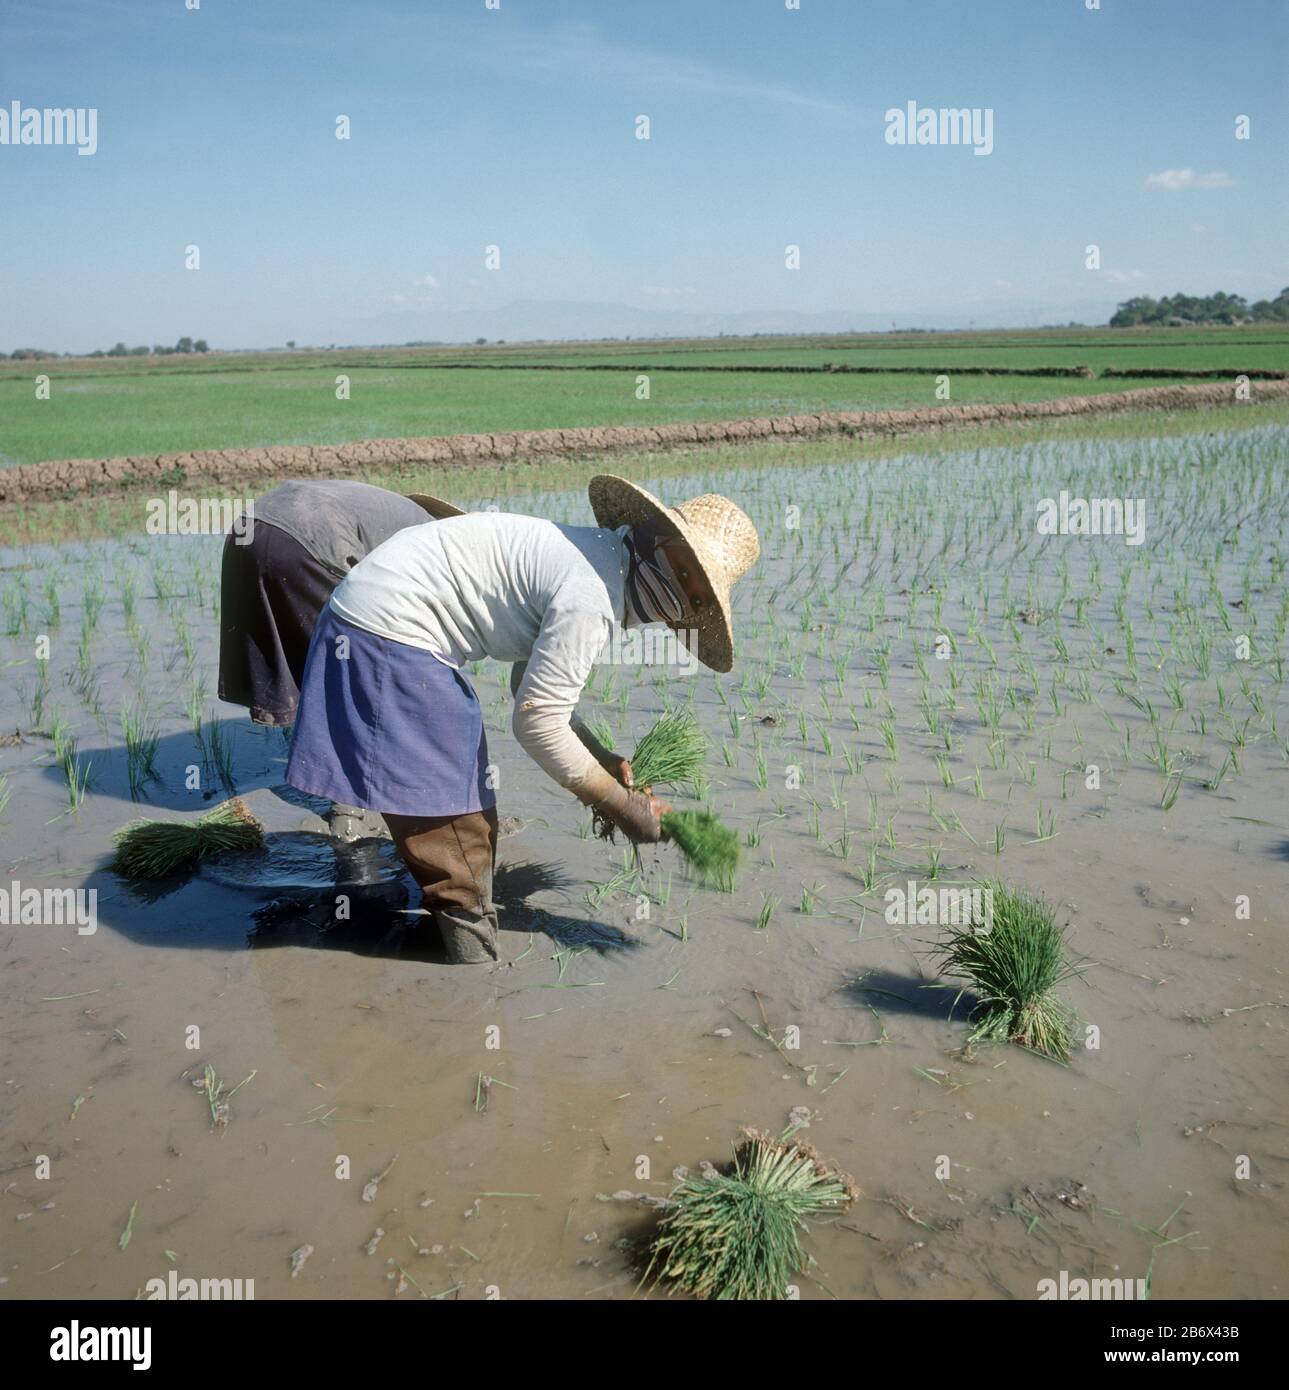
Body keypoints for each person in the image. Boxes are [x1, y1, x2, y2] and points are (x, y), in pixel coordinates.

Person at [284, 474, 761, 963]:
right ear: (661, 538)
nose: (682, 594)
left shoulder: (596, 555)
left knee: (433, 787)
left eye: (696, 597)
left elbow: (526, 688)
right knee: (457, 821)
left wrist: (598, 754)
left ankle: (438, 932)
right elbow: (536, 721)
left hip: (369, 617)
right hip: (389, 633)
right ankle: (473, 966)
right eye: (684, 571)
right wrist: (620, 804)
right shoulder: (592, 595)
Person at [217, 478, 463, 839]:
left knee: (317, 665)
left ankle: (348, 792)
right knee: (355, 678)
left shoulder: (388, 512)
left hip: (248, 531)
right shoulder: (436, 543)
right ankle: (350, 816)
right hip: (311, 541)